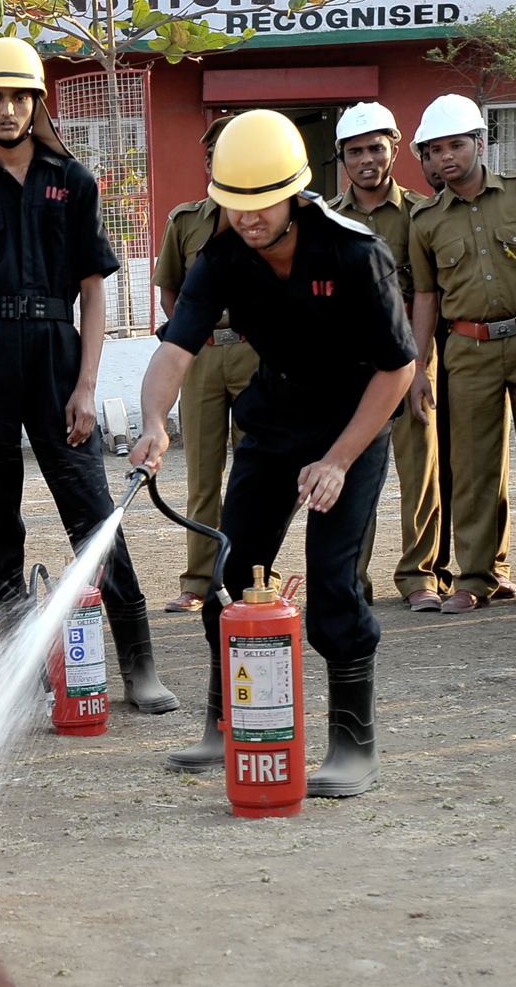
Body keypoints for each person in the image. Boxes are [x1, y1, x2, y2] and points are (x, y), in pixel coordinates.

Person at [139, 110, 416, 792]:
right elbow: (176, 348)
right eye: (233, 201)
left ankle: (354, 748)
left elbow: (397, 368)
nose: (247, 216)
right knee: (228, 578)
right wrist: (153, 420)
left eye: (261, 201)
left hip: (351, 423)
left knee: (331, 587)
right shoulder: (222, 253)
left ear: (294, 190)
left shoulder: (355, 251)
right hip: (274, 421)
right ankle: (227, 724)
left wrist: (339, 461)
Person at [0, 35, 177, 713]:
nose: (7, 110)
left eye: (19, 97)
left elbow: (94, 293)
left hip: (59, 360)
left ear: (38, 104)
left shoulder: (75, 184)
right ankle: (23, 671)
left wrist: (87, 385)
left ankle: (139, 664)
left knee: (92, 512)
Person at [409, 94, 516, 613]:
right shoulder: (425, 221)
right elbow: (426, 297)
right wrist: (419, 367)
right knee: (473, 467)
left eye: (456, 145)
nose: (447, 157)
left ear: (480, 144)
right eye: (435, 149)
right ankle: (477, 577)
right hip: (467, 349)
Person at [329, 101, 445, 611]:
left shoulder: (421, 212)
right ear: (342, 158)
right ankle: (351, 579)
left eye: (376, 148)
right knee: (351, 466)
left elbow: (427, 293)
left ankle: (419, 577)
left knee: (419, 469)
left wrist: (419, 367)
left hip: (410, 357)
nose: (367, 160)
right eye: (356, 152)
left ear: (395, 149)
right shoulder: (328, 219)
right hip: (351, 363)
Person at [151, 115, 258, 615]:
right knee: (202, 474)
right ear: (209, 160)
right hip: (202, 356)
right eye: (215, 152)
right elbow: (169, 284)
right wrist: (187, 333)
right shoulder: (186, 220)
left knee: (257, 472)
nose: (222, 158)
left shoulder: (267, 216)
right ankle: (198, 580)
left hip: (256, 354)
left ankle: (256, 573)